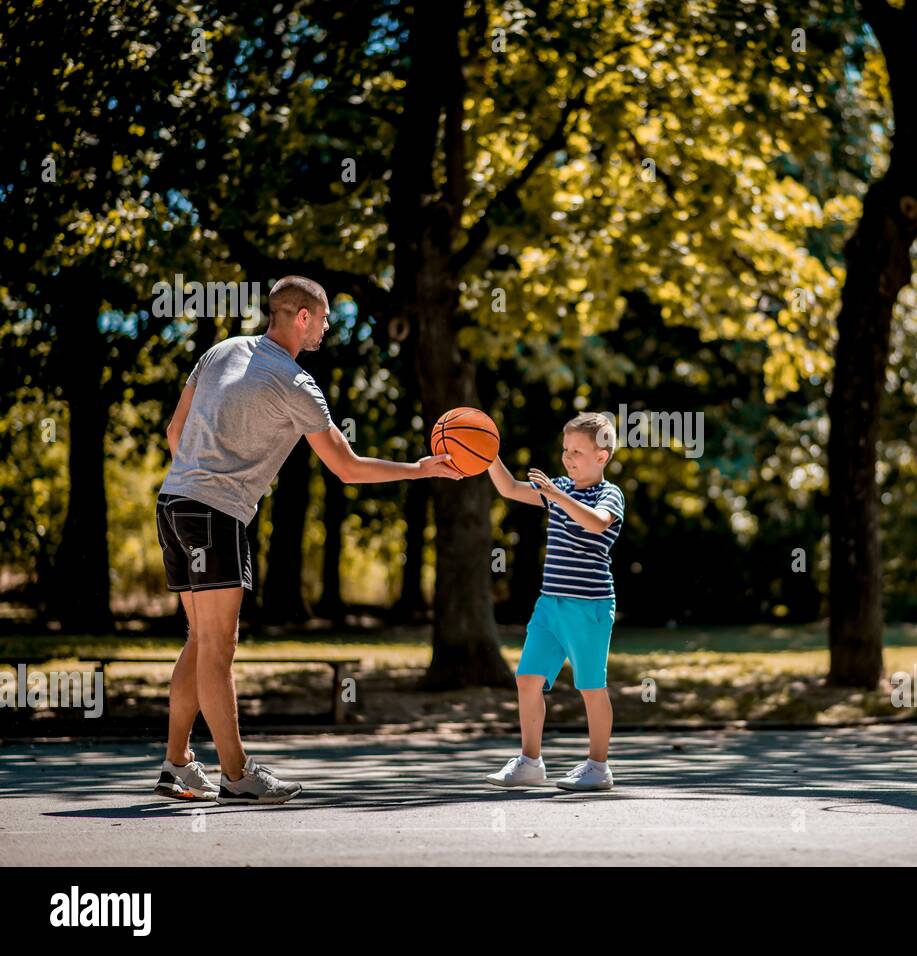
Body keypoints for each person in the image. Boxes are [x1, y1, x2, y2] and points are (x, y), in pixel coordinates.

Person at [153, 276, 461, 804]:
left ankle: (178, 764)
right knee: (219, 648)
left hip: (173, 504)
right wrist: (419, 468)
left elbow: (174, 434)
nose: (325, 327)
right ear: (300, 316)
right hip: (213, 513)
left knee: (201, 641)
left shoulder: (220, 350)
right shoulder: (296, 383)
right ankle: (237, 774)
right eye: (321, 318)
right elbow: (346, 467)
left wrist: (202, 472)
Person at [484, 412, 625, 792]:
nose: (568, 458)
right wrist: (485, 454)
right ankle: (530, 762)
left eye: (577, 451)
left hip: (589, 606)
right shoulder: (559, 487)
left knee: (591, 687)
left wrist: (556, 495)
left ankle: (598, 767)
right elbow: (511, 489)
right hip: (549, 605)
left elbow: (596, 523)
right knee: (528, 679)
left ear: (602, 456)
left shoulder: (608, 494)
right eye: (565, 450)